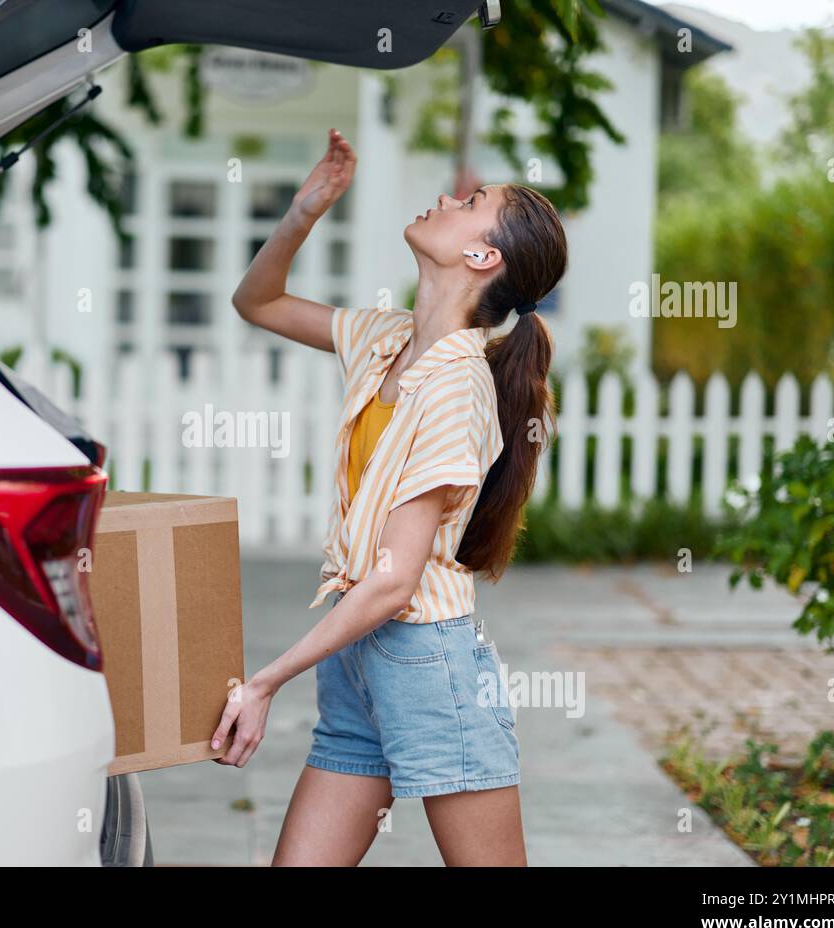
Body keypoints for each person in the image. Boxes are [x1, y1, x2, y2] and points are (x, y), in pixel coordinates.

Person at [212, 127, 568, 866]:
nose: (445, 199)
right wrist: (306, 210)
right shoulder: (385, 339)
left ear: (482, 257)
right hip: (360, 664)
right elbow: (259, 301)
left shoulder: (457, 388)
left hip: (427, 661)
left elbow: (394, 578)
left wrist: (267, 680)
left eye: (469, 203)